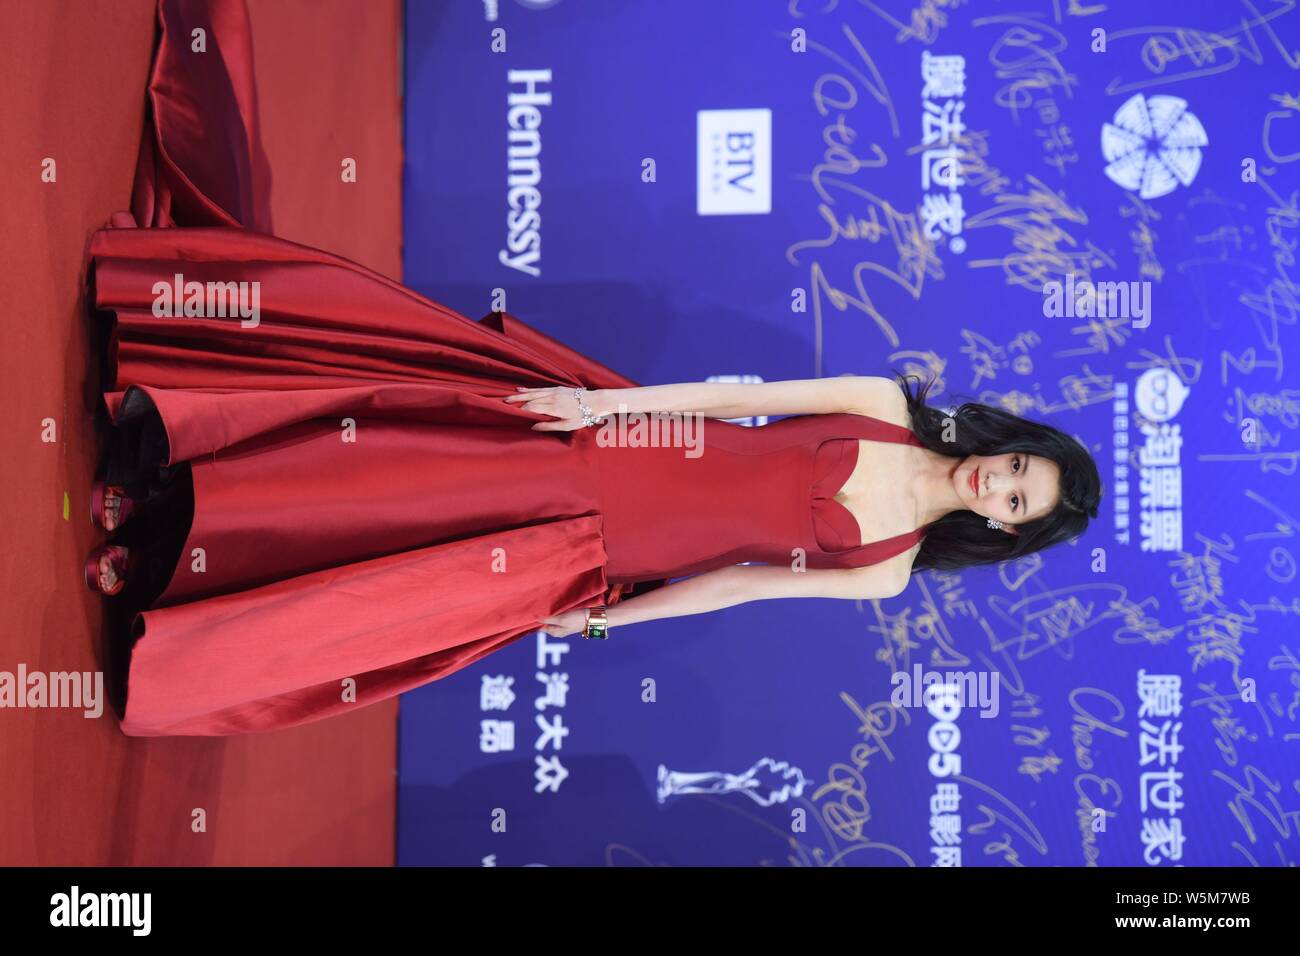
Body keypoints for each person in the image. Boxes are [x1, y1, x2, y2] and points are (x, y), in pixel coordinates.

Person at [84, 0, 1101, 736]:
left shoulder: (883, 573)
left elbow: (734, 588)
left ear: (1004, 526)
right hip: (603, 444)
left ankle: (164, 572)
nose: (999, 481)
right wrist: (596, 401)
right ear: (1007, 442)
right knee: (370, 476)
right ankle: (156, 465)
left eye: (1016, 498)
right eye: (1018, 464)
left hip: (593, 551)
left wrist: (612, 618)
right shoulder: (884, 401)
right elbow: (732, 397)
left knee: (382, 577)